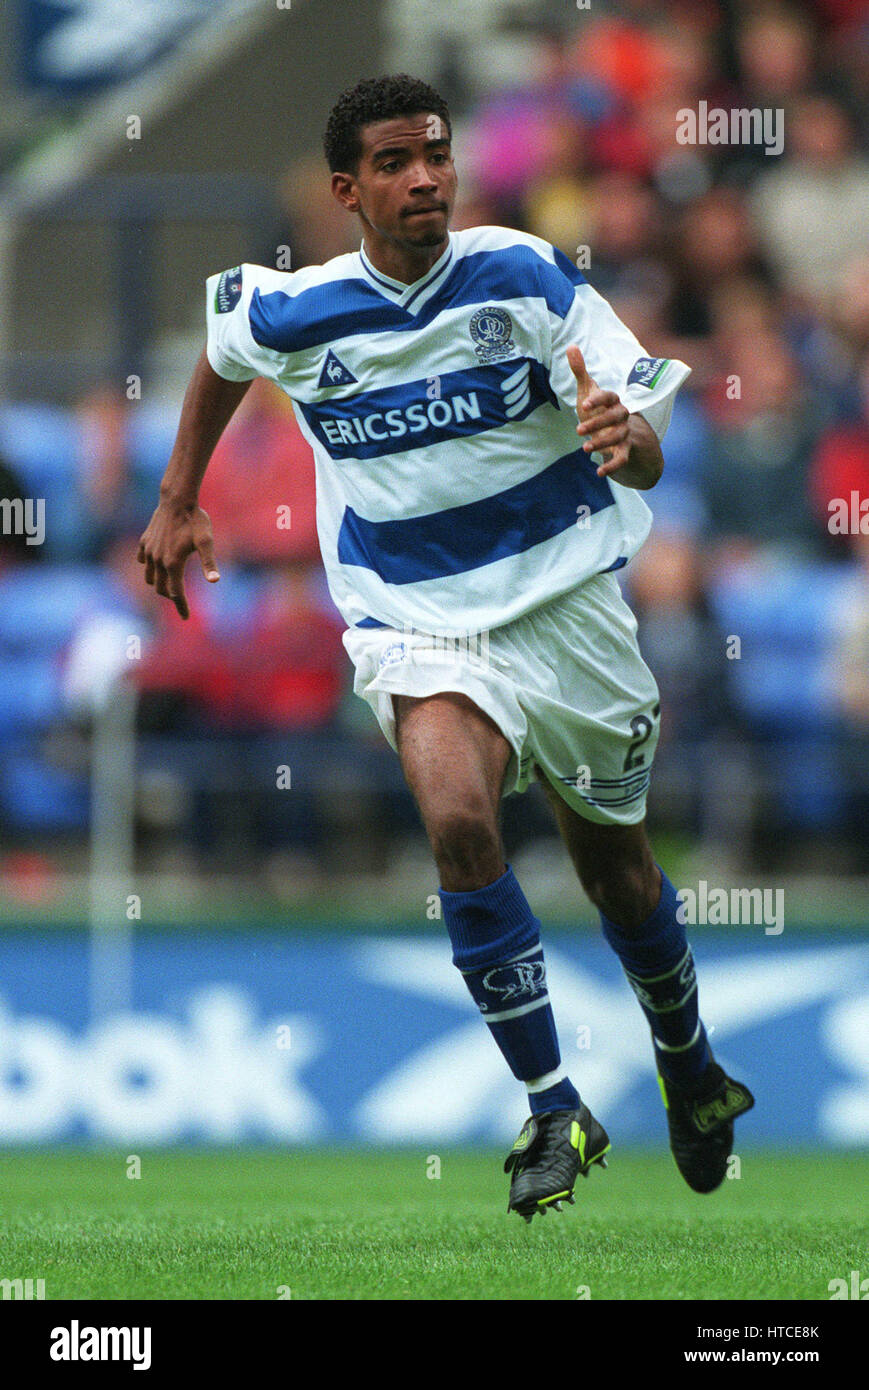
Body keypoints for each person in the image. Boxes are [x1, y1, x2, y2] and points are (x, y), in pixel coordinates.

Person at [138, 74, 753, 1220]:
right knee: (459, 818)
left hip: (566, 605)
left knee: (614, 872)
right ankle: (550, 1099)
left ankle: (686, 1060)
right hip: (414, 614)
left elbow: (643, 423)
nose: (424, 176)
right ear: (346, 189)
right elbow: (223, 351)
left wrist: (630, 439)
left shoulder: (521, 275)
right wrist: (178, 497)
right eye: (393, 161)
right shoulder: (296, 311)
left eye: (436, 154)